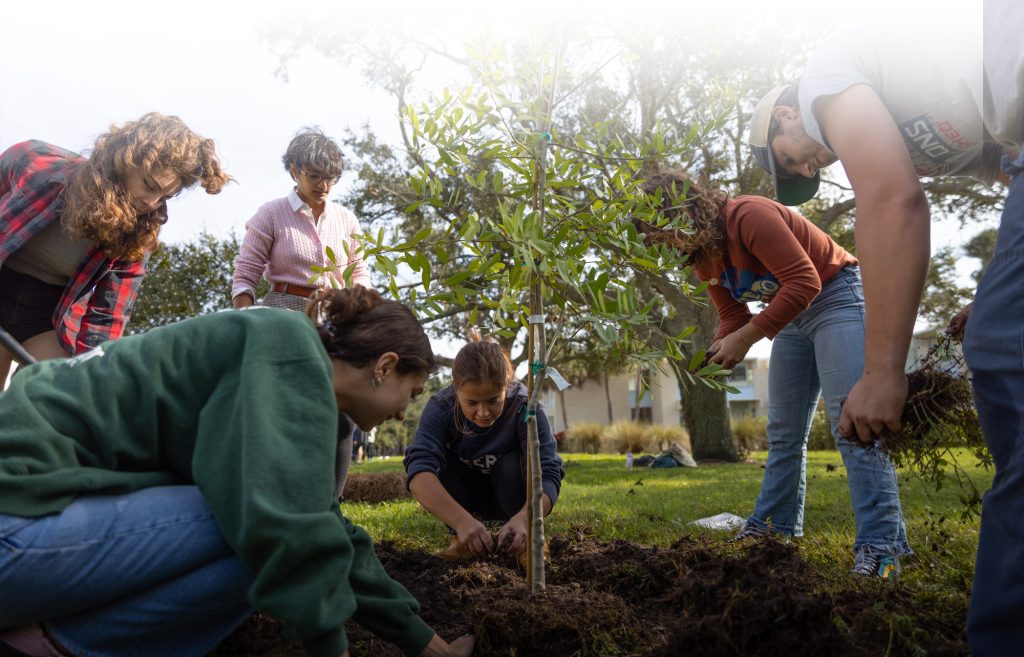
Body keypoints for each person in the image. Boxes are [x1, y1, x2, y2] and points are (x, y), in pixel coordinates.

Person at [746, 3, 1023, 648]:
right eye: (797, 174)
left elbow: (892, 199)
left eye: (792, 162)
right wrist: (996, 292)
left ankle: (992, 621)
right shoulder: (925, 127)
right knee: (1000, 337)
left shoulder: (820, 84)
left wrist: (881, 372)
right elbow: (1012, 168)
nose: (808, 169)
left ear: (787, 113)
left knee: (1005, 358)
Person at [0, 287, 473, 657]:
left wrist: (420, 641)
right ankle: (53, 641)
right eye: (409, 395)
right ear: (384, 367)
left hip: (36, 529)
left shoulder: (285, 363)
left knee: (272, 526)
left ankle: (51, 635)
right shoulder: (286, 349)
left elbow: (325, 526)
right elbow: (287, 523)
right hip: (17, 525)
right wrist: (331, 645)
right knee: (257, 529)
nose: (399, 416)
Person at [634, 171, 909, 578]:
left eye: (662, 230)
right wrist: (720, 347)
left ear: (681, 211)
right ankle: (772, 527)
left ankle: (882, 546)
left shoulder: (747, 216)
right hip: (794, 317)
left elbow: (805, 281)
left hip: (836, 297)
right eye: (654, 237)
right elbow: (732, 315)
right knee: (784, 432)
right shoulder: (702, 258)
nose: (664, 243)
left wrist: (744, 340)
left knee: (851, 422)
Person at [0, 112, 230, 384]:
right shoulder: (33, 163)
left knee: (57, 393)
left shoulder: (140, 233)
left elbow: (107, 314)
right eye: (149, 185)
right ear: (124, 161)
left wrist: (95, 377)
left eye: (164, 197)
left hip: (46, 315)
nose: (152, 202)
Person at [231, 126, 372, 496]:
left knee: (341, 410)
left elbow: (359, 270)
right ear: (294, 170)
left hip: (337, 320)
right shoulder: (272, 214)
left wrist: (362, 303)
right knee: (285, 407)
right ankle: (281, 495)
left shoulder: (346, 220)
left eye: (330, 178)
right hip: (284, 316)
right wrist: (246, 322)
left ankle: (331, 502)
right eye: (314, 176)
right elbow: (245, 275)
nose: (323, 185)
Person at [404, 335, 565, 564]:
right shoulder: (441, 408)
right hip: (465, 501)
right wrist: (461, 521)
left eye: (492, 400)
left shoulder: (525, 409)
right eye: (471, 403)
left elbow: (548, 473)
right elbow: (418, 475)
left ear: (506, 386)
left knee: (512, 463)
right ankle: (463, 539)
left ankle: (526, 541)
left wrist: (526, 518)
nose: (483, 412)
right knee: (440, 462)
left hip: (512, 497)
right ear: (455, 389)